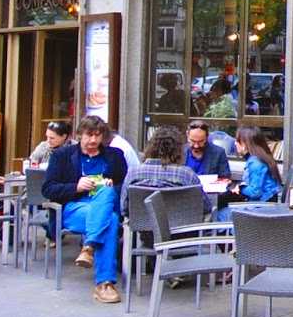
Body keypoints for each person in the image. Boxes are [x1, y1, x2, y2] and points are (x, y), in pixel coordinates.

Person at [43, 115, 129, 304]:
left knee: (107, 198)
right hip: (74, 208)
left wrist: (112, 185)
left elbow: (125, 187)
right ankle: (104, 284)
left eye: (98, 136)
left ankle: (89, 248)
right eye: (89, 135)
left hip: (103, 208)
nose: (93, 140)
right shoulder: (62, 156)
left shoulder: (114, 156)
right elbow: (48, 188)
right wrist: (76, 187)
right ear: (79, 134)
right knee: (110, 221)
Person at [122, 124, 210, 212]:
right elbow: (205, 207)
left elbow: (124, 208)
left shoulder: (133, 173)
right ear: (178, 150)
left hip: (141, 224)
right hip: (182, 225)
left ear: (151, 147)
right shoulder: (186, 175)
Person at [217, 126, 283, 219]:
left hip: (261, 207)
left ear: (244, 143)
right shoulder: (258, 158)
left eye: (237, 140)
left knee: (219, 213)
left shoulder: (256, 162)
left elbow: (255, 192)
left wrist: (240, 188)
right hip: (263, 204)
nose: (235, 143)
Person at [185, 119, 234, 210]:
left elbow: (226, 178)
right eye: (193, 141)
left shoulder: (218, 153)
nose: (196, 146)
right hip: (183, 199)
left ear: (207, 137)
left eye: (200, 141)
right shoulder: (179, 152)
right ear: (187, 134)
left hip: (209, 200)